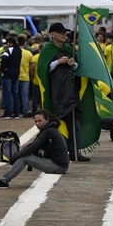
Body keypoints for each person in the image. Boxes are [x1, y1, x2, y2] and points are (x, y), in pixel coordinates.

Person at [37, 23, 88, 161]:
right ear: (52, 34)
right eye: (60, 32)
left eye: (65, 32)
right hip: (55, 93)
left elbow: (77, 68)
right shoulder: (47, 50)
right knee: (53, 125)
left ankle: (74, 152)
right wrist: (57, 62)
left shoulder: (68, 49)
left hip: (70, 92)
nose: (64, 35)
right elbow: (42, 70)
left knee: (74, 124)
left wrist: (73, 64)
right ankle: (52, 152)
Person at [0, 110, 69, 188]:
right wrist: (17, 155)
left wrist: (15, 157)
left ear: (47, 120)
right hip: (56, 163)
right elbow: (32, 145)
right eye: (36, 121)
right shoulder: (48, 129)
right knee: (25, 155)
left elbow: (33, 147)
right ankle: (4, 180)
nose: (37, 124)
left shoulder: (48, 131)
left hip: (59, 166)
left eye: (40, 121)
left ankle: (4, 181)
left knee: (24, 158)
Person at [0, 36, 22, 119]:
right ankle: (16, 113)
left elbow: (4, 58)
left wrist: (3, 68)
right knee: (15, 94)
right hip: (16, 74)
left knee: (7, 93)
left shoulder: (9, 50)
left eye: (8, 43)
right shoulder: (19, 50)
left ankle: (7, 113)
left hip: (8, 74)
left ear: (11, 43)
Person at [18, 41, 34, 117]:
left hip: (16, 77)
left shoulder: (14, 51)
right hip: (25, 77)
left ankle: (17, 110)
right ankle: (25, 111)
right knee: (25, 95)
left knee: (16, 95)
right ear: (24, 44)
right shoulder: (28, 53)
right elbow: (32, 65)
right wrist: (31, 74)